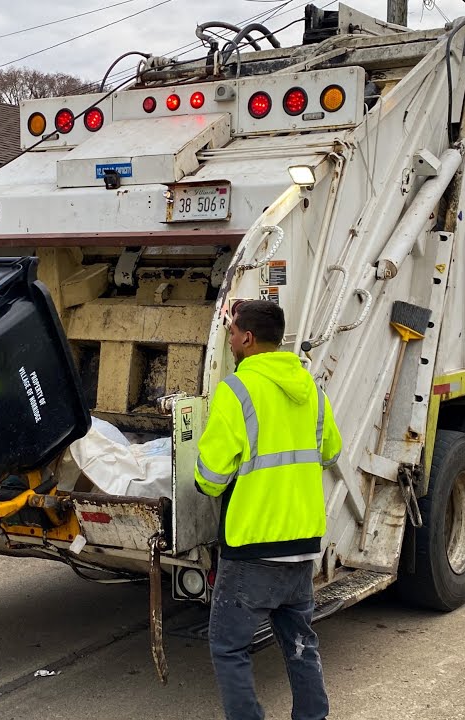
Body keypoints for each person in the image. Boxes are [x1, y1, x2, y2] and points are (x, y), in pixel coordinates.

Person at [195, 299, 342, 720]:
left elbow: (210, 476)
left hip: (254, 544)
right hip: (301, 541)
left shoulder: (236, 389)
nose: (229, 339)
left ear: (247, 338)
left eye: (232, 332)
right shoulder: (310, 387)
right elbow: (331, 451)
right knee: (299, 642)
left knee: (229, 646)